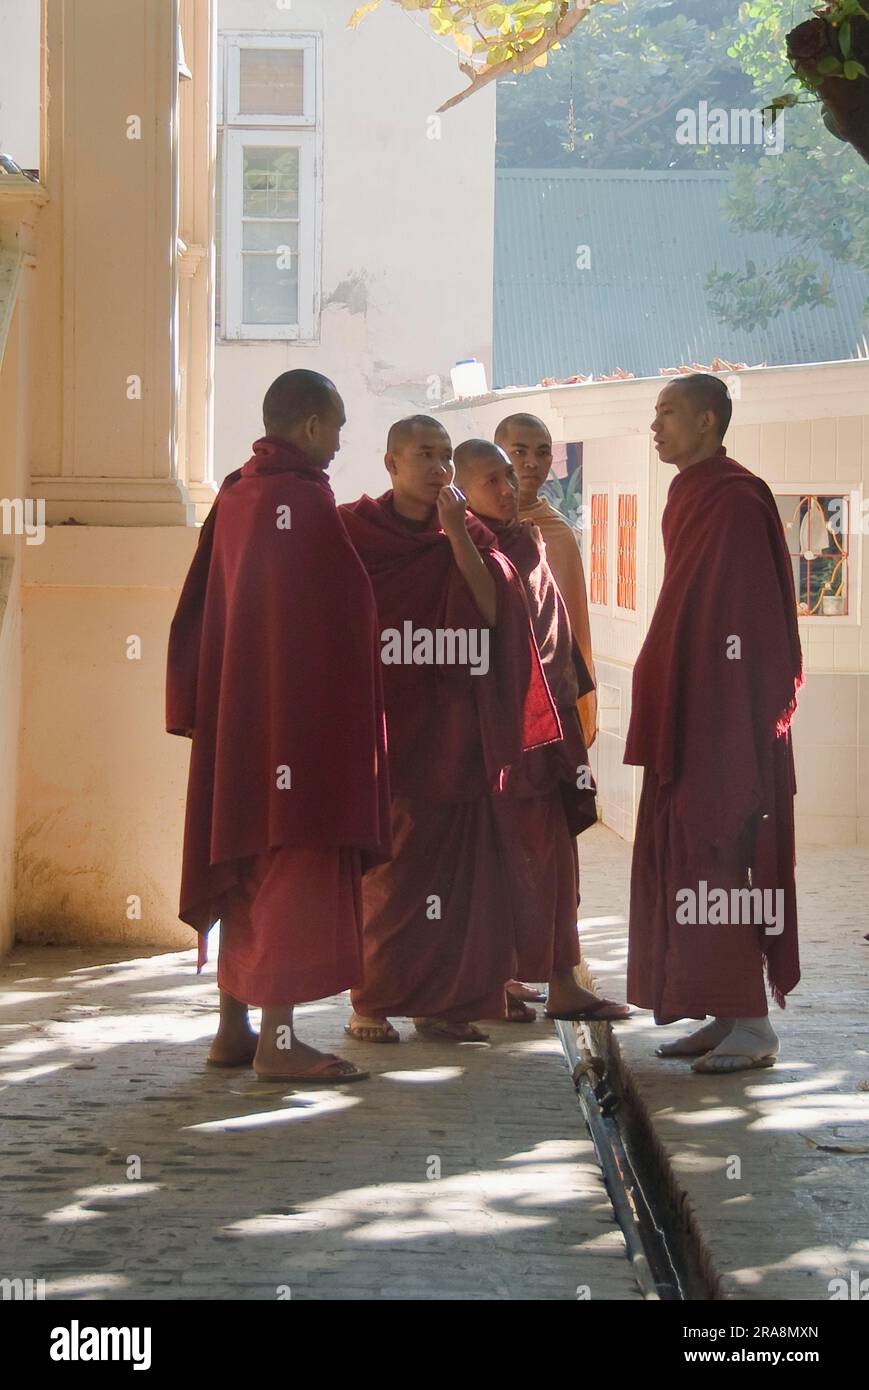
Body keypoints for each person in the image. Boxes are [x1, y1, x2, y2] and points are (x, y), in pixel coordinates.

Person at [166, 370, 391, 1083]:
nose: (339, 444)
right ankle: (280, 1042)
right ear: (313, 426)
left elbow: (204, 608)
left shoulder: (237, 493)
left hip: (242, 723)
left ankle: (232, 1029)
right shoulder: (299, 499)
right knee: (292, 862)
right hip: (299, 727)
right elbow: (343, 614)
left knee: (241, 861)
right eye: (338, 427)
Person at [339, 415, 560, 1042]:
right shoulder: (359, 532)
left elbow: (495, 608)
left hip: (456, 733)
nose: (436, 468)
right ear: (391, 464)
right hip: (389, 727)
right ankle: (372, 1004)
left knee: (456, 878)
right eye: (423, 456)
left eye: (443, 456)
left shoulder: (472, 534)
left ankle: (444, 1004)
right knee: (391, 874)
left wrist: (458, 533)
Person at [624, 374, 802, 1073]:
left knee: (723, 859)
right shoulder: (688, 493)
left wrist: (730, 723)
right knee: (688, 864)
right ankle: (723, 1012)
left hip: (723, 725)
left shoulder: (733, 499)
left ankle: (752, 1025)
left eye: (667, 414)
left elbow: (746, 625)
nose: (655, 427)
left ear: (705, 421)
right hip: (690, 717)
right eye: (653, 415)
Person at [454, 439, 630, 1023]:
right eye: (491, 481)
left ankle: (555, 980)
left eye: (509, 475)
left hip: (545, 732)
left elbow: (556, 639)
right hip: (498, 741)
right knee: (504, 863)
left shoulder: (529, 540)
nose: (509, 487)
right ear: (462, 493)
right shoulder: (459, 549)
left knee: (551, 860)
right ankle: (517, 980)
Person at [495, 414, 597, 750]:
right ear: (498, 453)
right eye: (519, 452)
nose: (531, 464)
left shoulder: (558, 534)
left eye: (542, 453)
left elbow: (573, 632)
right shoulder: (468, 528)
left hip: (549, 695)